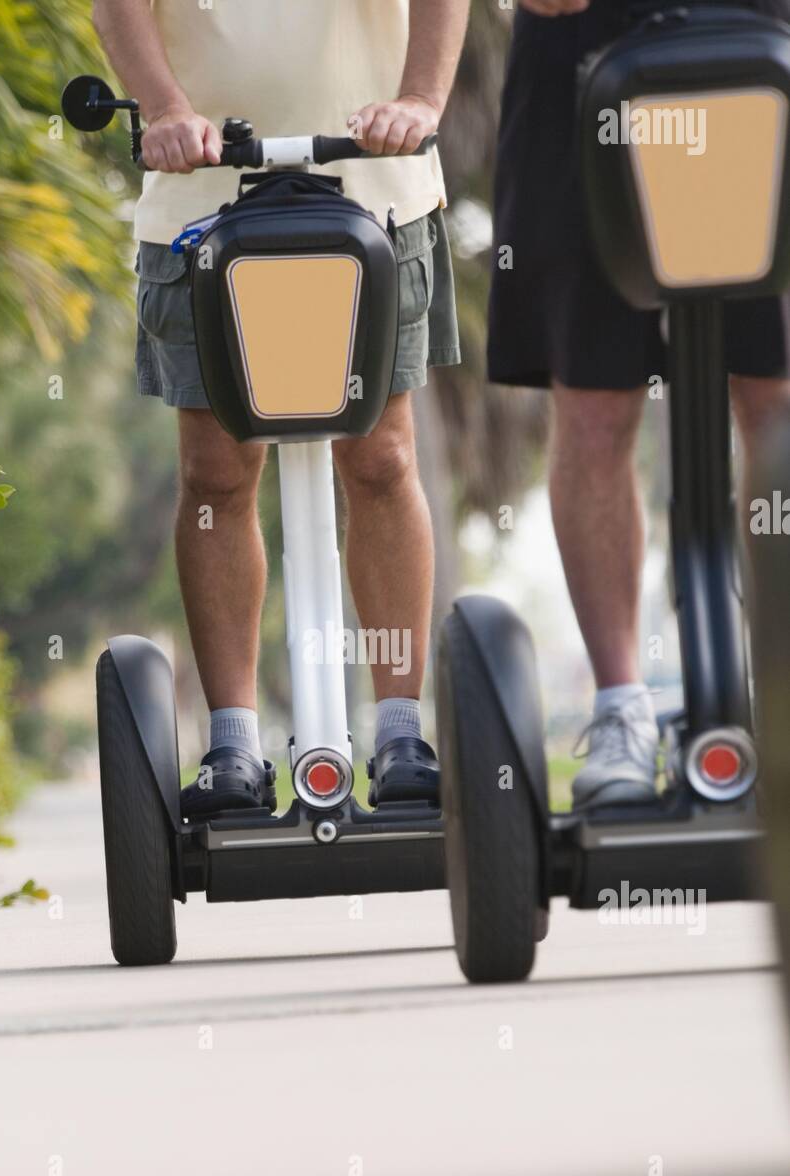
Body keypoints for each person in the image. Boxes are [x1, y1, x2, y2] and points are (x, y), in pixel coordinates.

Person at [92, 0, 467, 815]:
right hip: (200, 203)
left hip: (374, 191)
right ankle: (233, 741)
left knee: (381, 460)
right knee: (218, 476)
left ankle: (401, 730)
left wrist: (420, 103)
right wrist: (164, 111)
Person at [489, 0, 790, 809]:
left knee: (776, 396)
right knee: (593, 404)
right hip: (579, 51)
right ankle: (622, 709)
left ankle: (782, 696)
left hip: (758, 38)